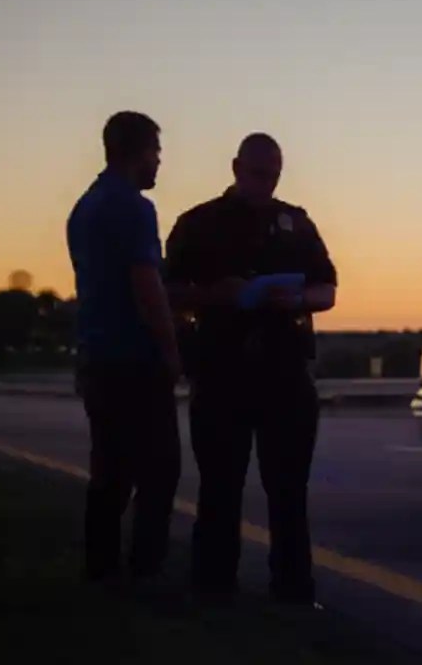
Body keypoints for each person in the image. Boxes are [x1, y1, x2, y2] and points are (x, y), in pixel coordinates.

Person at [164, 132, 337, 604]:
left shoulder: (296, 225)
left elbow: (327, 290)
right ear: (236, 167)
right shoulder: (199, 224)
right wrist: (216, 294)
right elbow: (168, 291)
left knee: (289, 491)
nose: (267, 183)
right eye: (260, 173)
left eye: (275, 174)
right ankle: (214, 587)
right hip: (222, 368)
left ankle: (294, 590)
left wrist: (296, 299)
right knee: (220, 487)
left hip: (286, 370)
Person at [66, 111, 183, 586]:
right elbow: (145, 284)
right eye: (156, 151)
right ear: (137, 152)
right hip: (133, 359)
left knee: (109, 470)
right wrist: (171, 349)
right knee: (159, 471)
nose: (159, 162)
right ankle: (145, 573)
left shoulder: (86, 206)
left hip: (96, 355)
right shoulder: (134, 208)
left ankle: (101, 569)